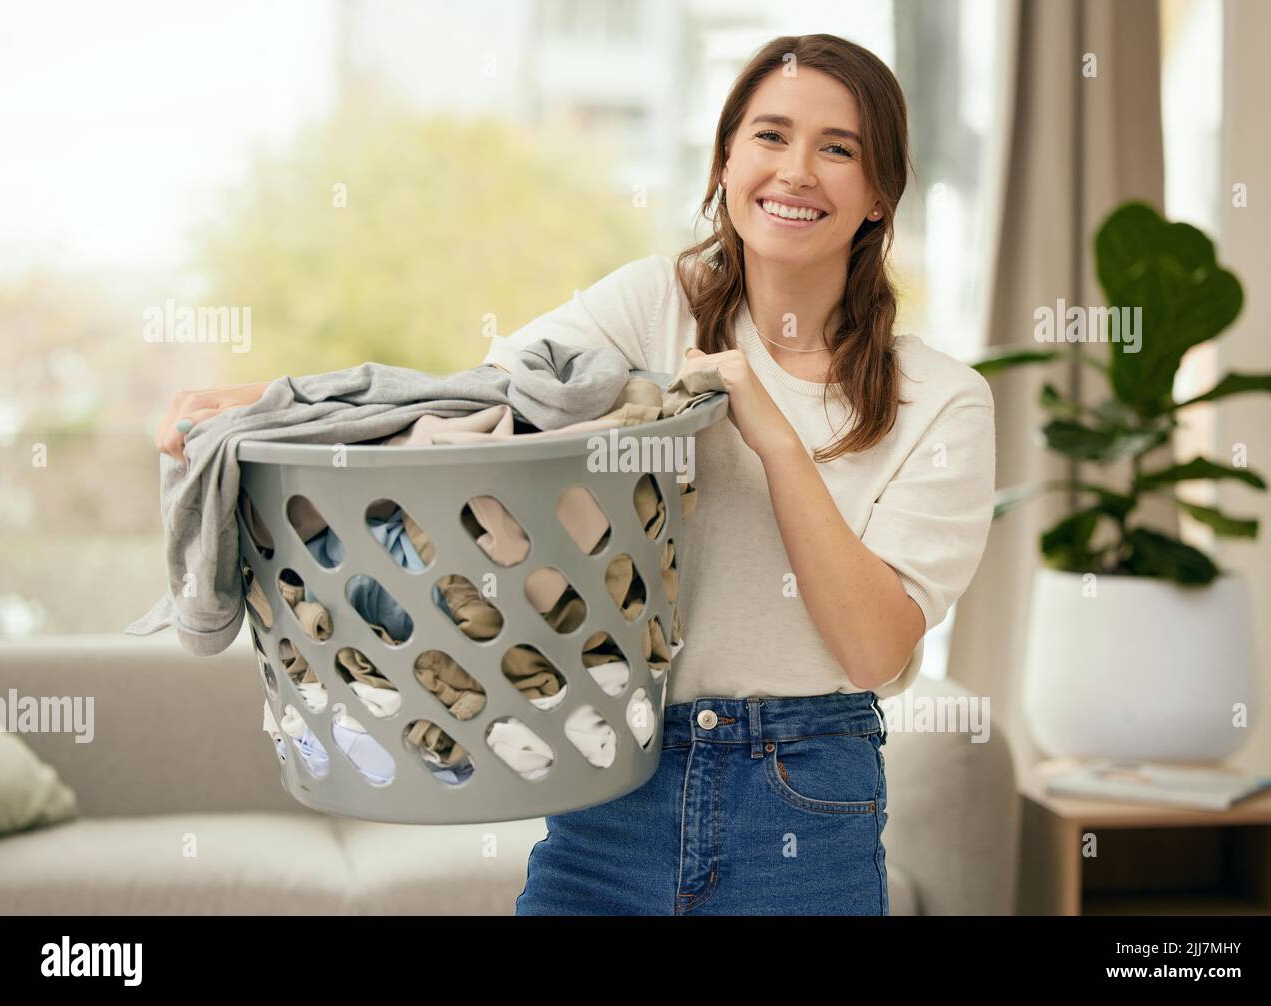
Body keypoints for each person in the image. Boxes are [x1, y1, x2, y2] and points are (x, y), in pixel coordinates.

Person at [156, 33, 996, 916]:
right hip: (615, 773)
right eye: (770, 136)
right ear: (725, 161)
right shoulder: (653, 304)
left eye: (838, 148)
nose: (795, 170)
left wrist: (774, 440)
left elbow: (874, 647)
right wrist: (275, 399)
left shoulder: (941, 401)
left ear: (878, 195)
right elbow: (474, 406)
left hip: (803, 796)